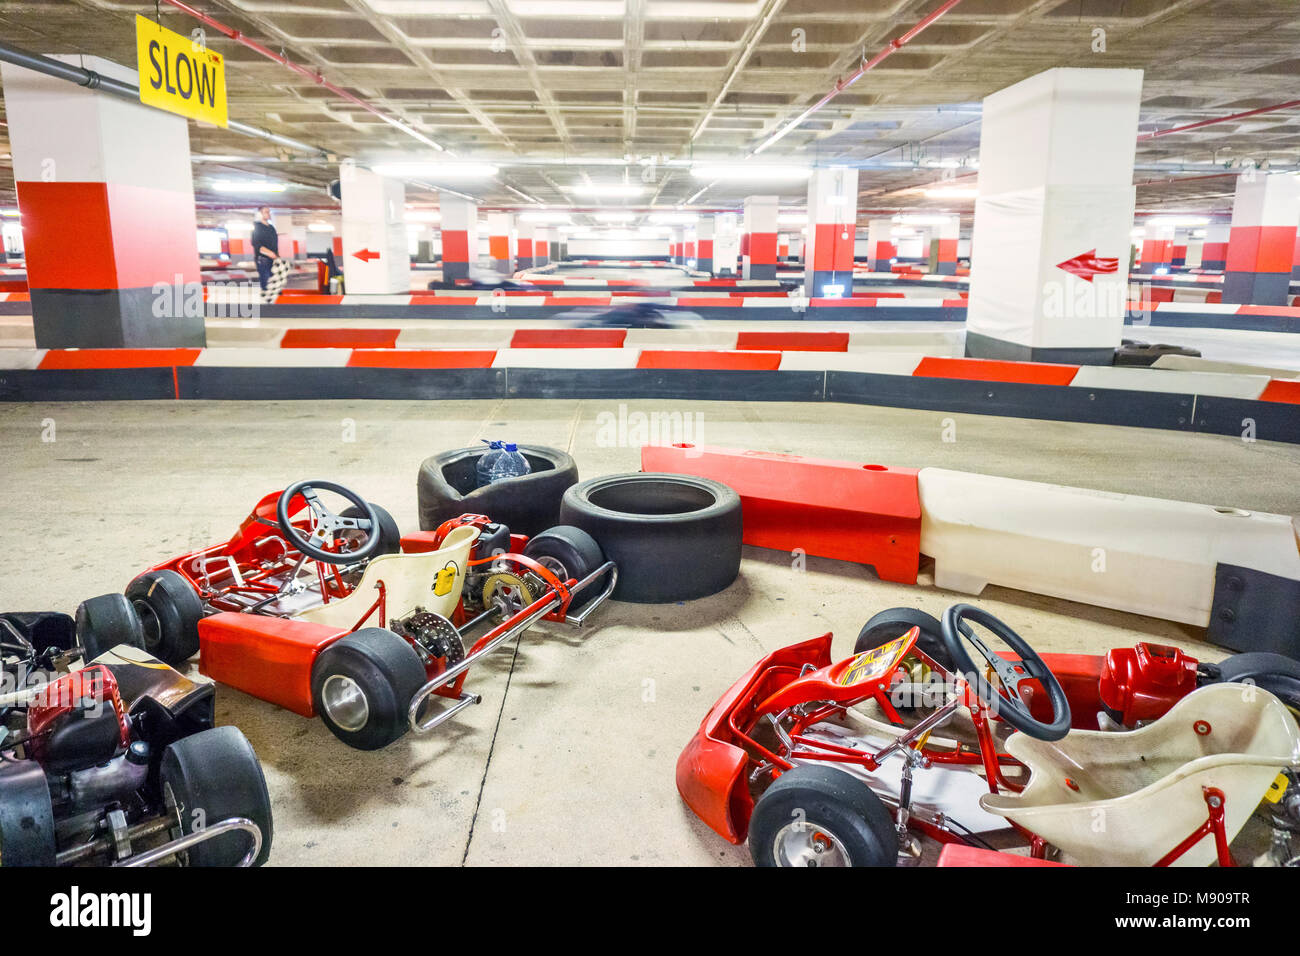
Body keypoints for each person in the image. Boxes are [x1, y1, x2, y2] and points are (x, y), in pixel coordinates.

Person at [251, 206, 279, 292]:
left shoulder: (271, 228)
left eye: (269, 212)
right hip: (263, 260)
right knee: (266, 285)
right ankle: (267, 304)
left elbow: (274, 244)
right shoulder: (257, 227)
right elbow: (256, 244)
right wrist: (269, 253)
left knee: (275, 285)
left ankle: (277, 303)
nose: (268, 214)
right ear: (259, 214)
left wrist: (277, 256)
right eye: (266, 212)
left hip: (273, 259)